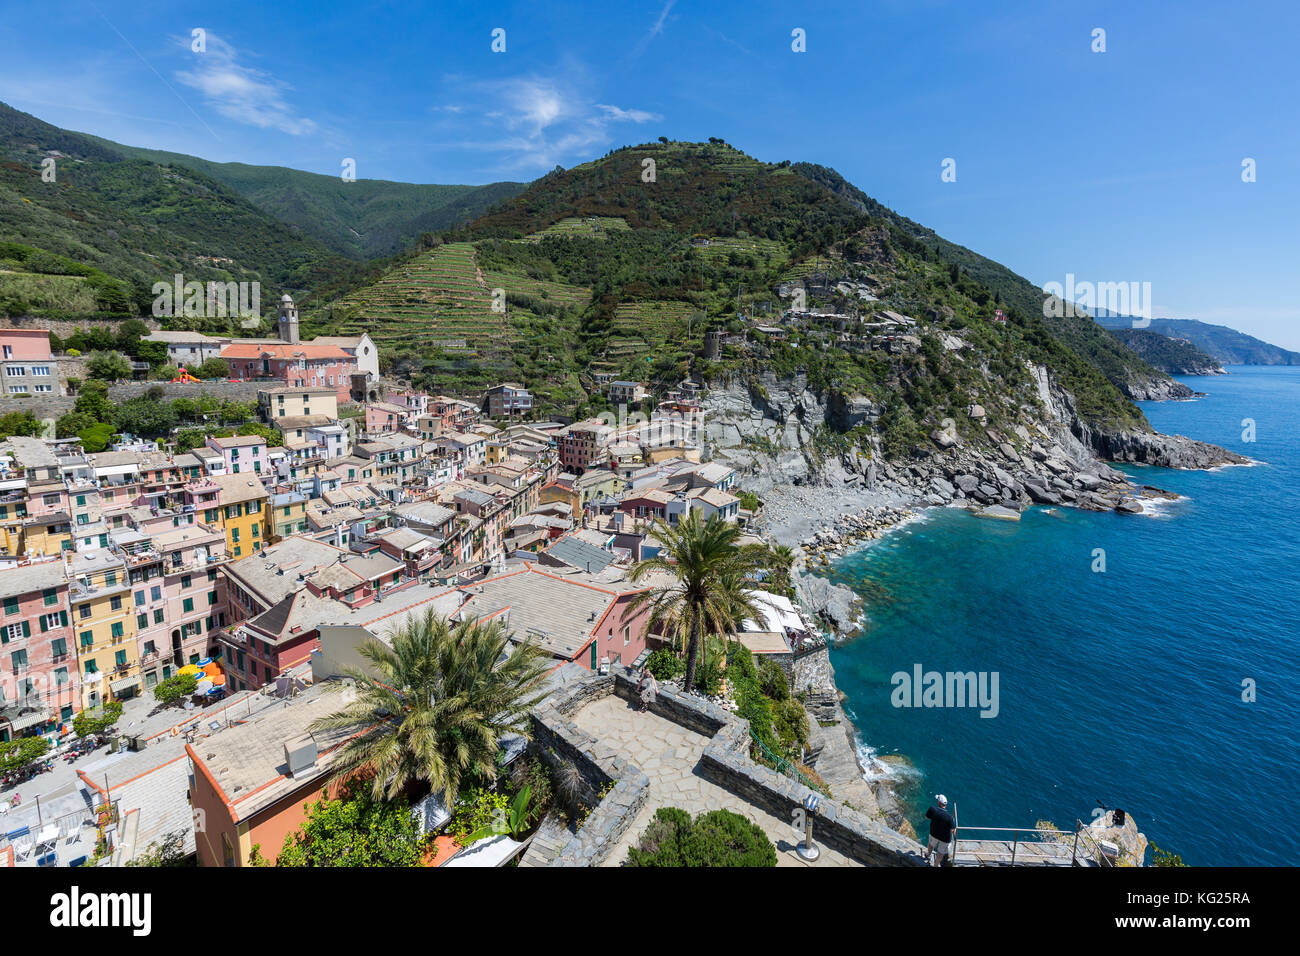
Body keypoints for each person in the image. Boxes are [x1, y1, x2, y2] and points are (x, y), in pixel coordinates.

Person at [923, 794, 955, 866]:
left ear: (939, 802)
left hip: (934, 833)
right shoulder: (950, 817)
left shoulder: (932, 809)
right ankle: (936, 865)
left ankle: (928, 854)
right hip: (945, 839)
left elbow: (926, 817)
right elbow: (952, 830)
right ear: (945, 804)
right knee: (940, 853)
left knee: (931, 845)